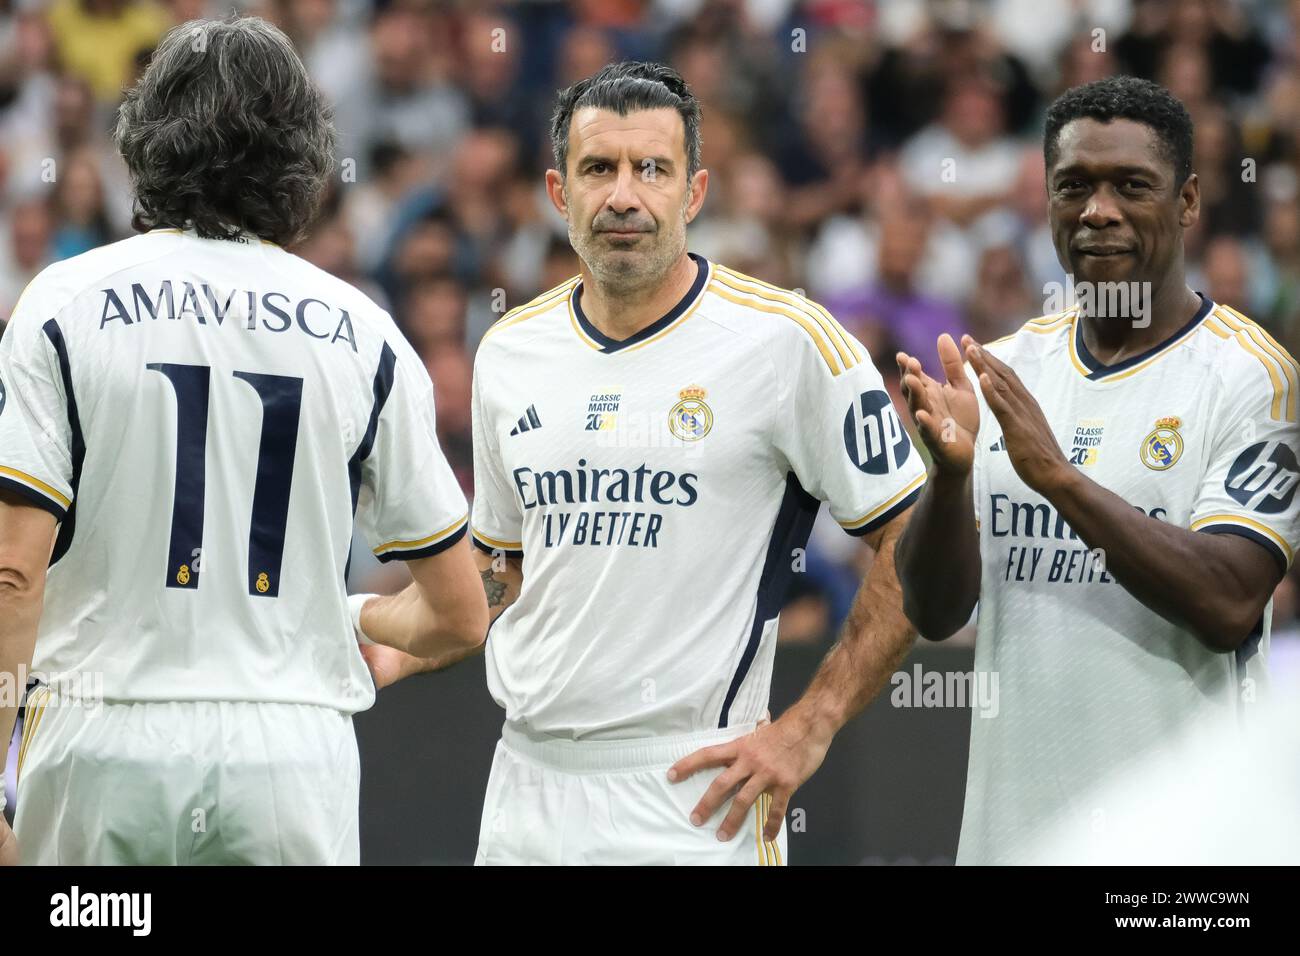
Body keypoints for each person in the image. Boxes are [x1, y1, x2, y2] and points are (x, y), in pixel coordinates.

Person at [354, 60, 925, 865]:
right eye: (599, 169)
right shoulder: (510, 349)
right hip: (524, 791)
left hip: (695, 796)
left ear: (694, 193)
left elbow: (918, 539)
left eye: (652, 169)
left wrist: (811, 724)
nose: (624, 195)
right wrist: (399, 641)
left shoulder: (789, 342)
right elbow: (504, 571)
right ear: (559, 194)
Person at [0, 16, 487, 866]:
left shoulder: (63, 302)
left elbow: (12, 572)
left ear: (144, 141)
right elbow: (458, 617)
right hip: (290, 757)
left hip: (102, 738)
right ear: (303, 159)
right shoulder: (364, 332)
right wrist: (350, 615)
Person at [895, 76, 1300, 864]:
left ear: (1186, 203)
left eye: (1130, 187)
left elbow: (1227, 601)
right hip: (1013, 836)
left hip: (1185, 857)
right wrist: (948, 483)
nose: (1098, 210)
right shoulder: (1006, 369)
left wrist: (1058, 478)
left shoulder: (1254, 378)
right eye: (1073, 186)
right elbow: (936, 612)